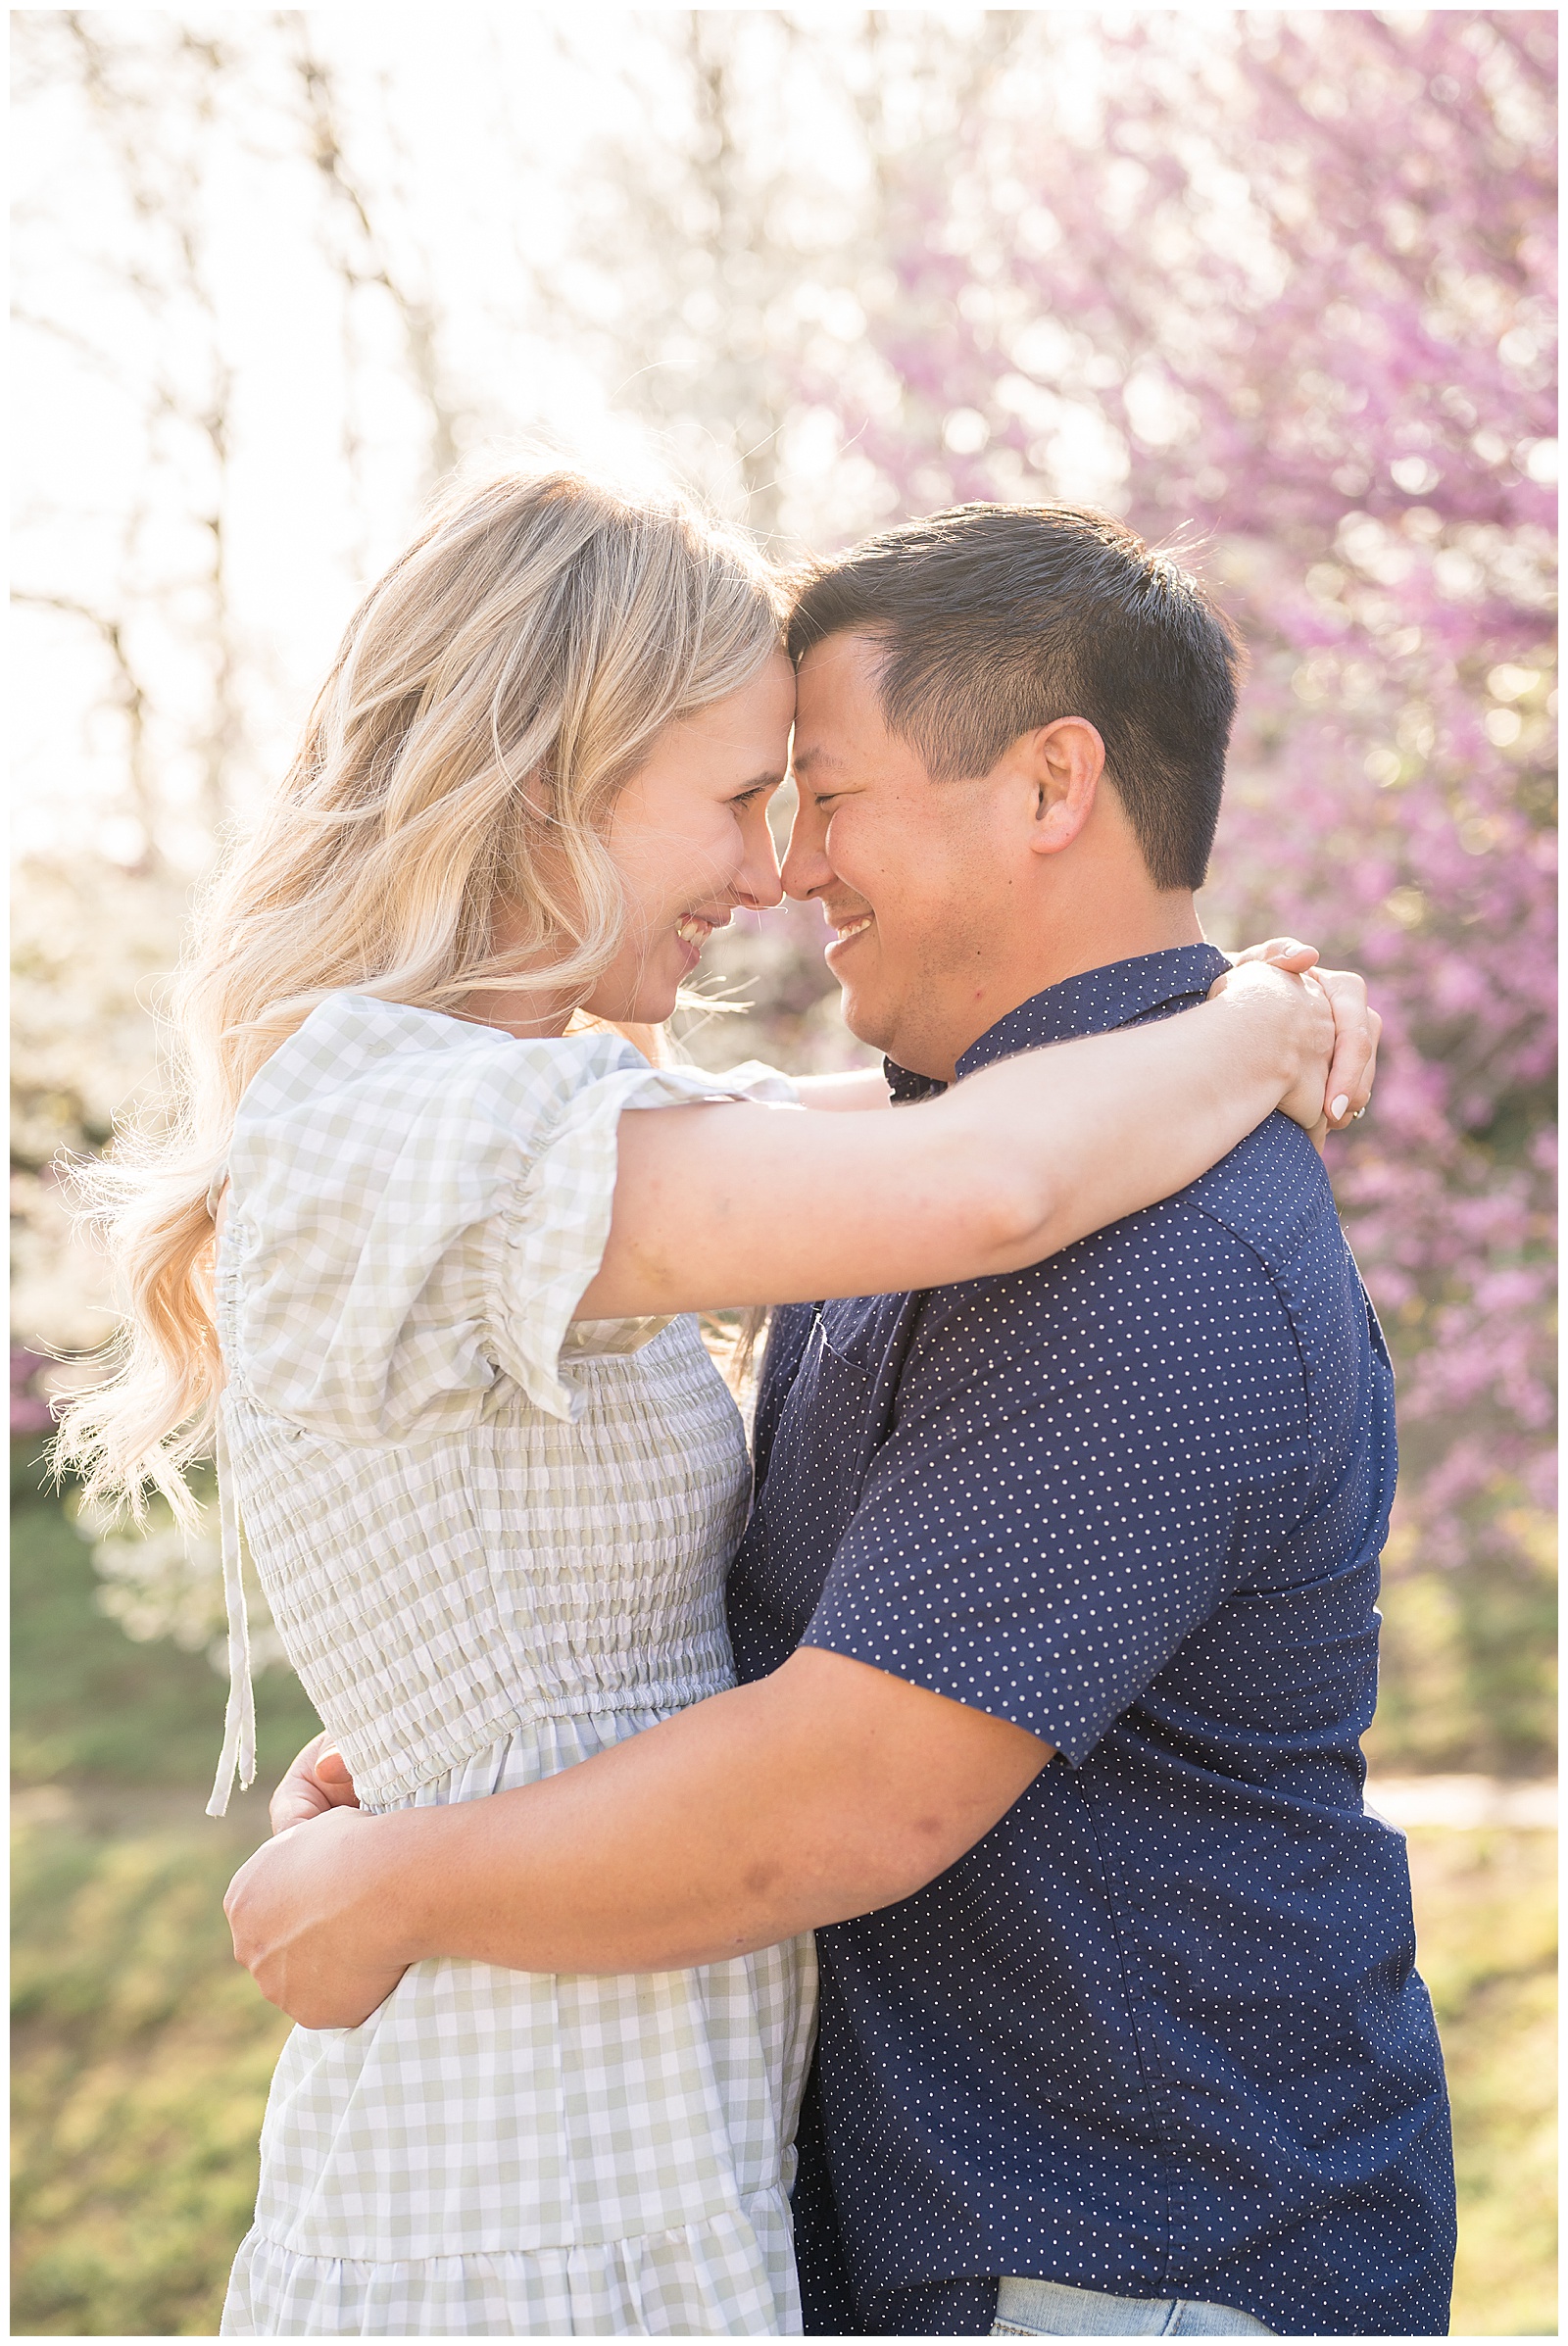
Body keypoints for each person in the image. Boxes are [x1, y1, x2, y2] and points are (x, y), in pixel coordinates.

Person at [57, 469, 1365, 2341]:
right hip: (524, 2150)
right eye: (749, 798)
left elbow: (950, 1140)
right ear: (545, 779)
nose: (773, 875)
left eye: (806, 801)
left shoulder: (568, 1124)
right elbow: (982, 1181)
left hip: (666, 2117)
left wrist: (1240, 1008)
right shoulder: (397, 1108)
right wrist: (1247, 1023)